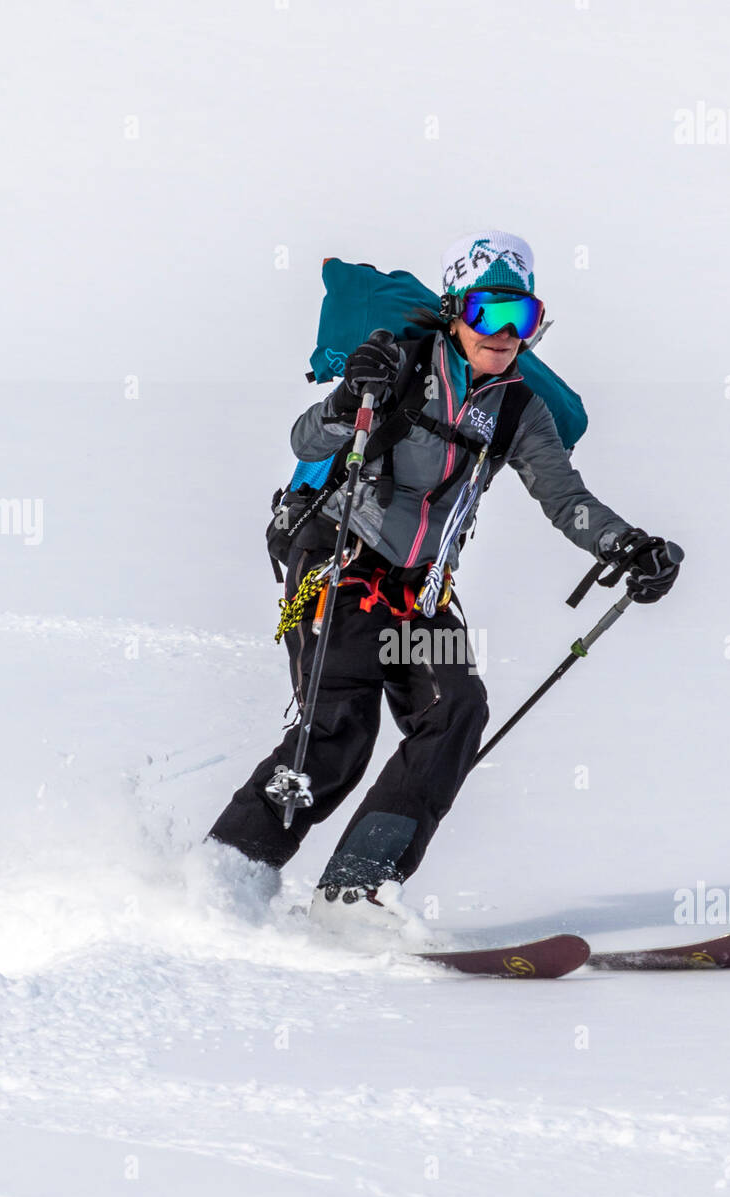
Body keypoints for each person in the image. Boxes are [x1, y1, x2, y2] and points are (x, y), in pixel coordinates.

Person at [207, 231, 680, 935]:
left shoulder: (519, 409)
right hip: (338, 561)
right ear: (455, 311)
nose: (503, 334)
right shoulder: (395, 367)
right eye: (488, 314)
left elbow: (563, 495)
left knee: (454, 711)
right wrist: (347, 401)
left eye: (520, 318)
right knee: (337, 733)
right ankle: (222, 880)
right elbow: (306, 442)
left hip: (421, 589)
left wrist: (623, 544)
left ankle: (353, 890)